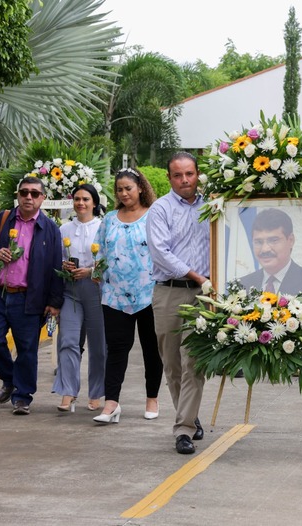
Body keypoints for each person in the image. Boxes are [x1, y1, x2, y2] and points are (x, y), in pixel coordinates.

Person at [0, 176, 64, 415]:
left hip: (29, 299)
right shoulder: (3, 219)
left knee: (27, 349)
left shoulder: (50, 229)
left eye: (35, 194)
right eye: (24, 192)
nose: (28, 197)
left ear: (43, 198)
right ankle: (11, 379)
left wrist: (55, 303)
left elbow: (57, 268)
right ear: (18, 195)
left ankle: (22, 397)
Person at [146, 152, 210, 455]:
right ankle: (188, 414)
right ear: (169, 177)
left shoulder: (213, 205)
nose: (185, 180)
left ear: (197, 174)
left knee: (193, 361)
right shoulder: (160, 209)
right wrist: (196, 275)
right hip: (169, 292)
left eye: (189, 174)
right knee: (171, 363)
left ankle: (183, 428)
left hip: (204, 295)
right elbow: (161, 253)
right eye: (178, 175)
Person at [92, 168, 163, 425]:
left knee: (151, 349)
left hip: (150, 294)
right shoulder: (109, 219)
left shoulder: (154, 216)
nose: (123, 193)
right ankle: (112, 404)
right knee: (116, 350)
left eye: (128, 188)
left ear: (140, 188)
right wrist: (97, 270)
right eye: (119, 189)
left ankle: (152, 398)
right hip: (114, 295)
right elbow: (99, 251)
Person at [53, 184, 106, 412]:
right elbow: (55, 259)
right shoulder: (63, 229)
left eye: (85, 199)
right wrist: (63, 266)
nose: (81, 203)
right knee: (68, 341)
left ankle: (96, 393)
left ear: (94, 202)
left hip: (96, 290)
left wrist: (91, 270)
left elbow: (110, 259)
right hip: (70, 291)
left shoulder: (104, 227)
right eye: (77, 199)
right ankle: (68, 391)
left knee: (98, 346)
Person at [238, 208, 302, 295]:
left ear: (291, 240)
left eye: (273, 240)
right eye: (258, 242)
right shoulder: (242, 285)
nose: (265, 249)